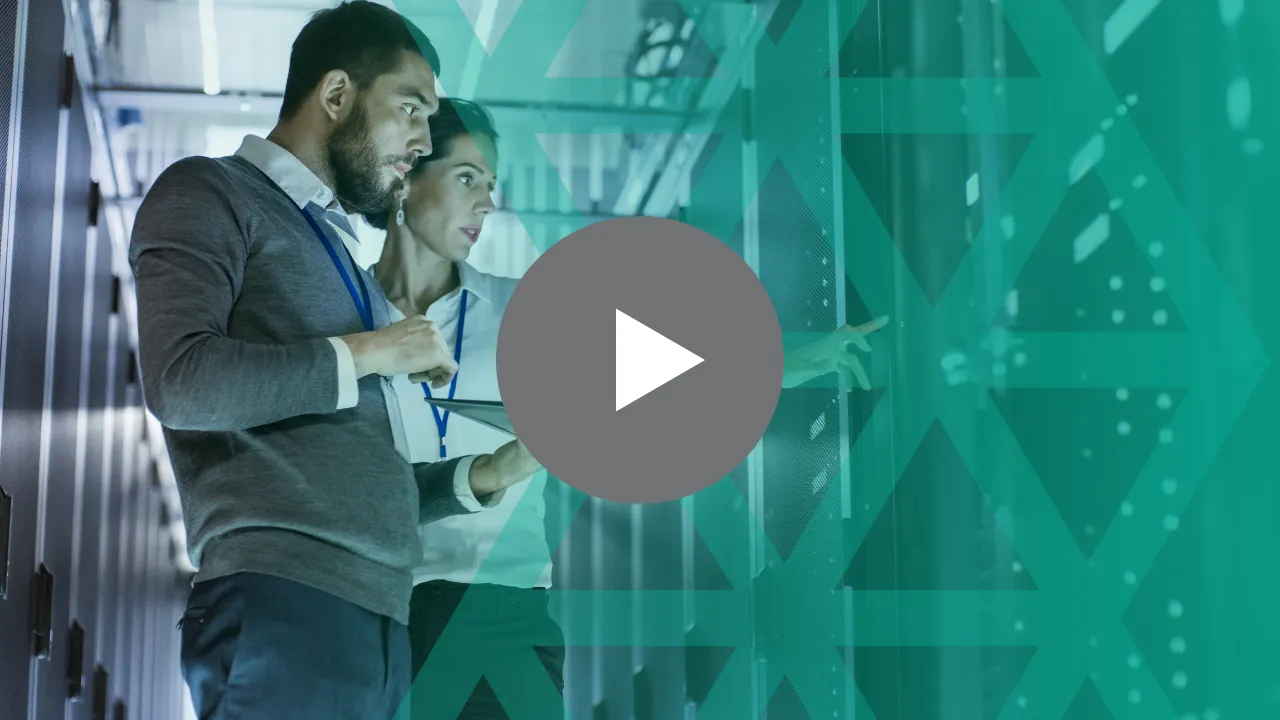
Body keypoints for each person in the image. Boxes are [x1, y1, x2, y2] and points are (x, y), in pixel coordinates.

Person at [128, 4, 538, 719]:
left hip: (373, 617)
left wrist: (480, 478)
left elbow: (354, 479)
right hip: (286, 603)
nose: (419, 139)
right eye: (411, 108)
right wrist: (379, 348)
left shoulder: (334, 251)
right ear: (338, 95)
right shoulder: (211, 192)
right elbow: (181, 381)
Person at [363, 98, 565, 719]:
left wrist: (790, 360)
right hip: (374, 619)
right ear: (406, 174)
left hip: (502, 621)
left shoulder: (529, 313)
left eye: (492, 186)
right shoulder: (343, 322)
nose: (486, 203)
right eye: (468, 178)